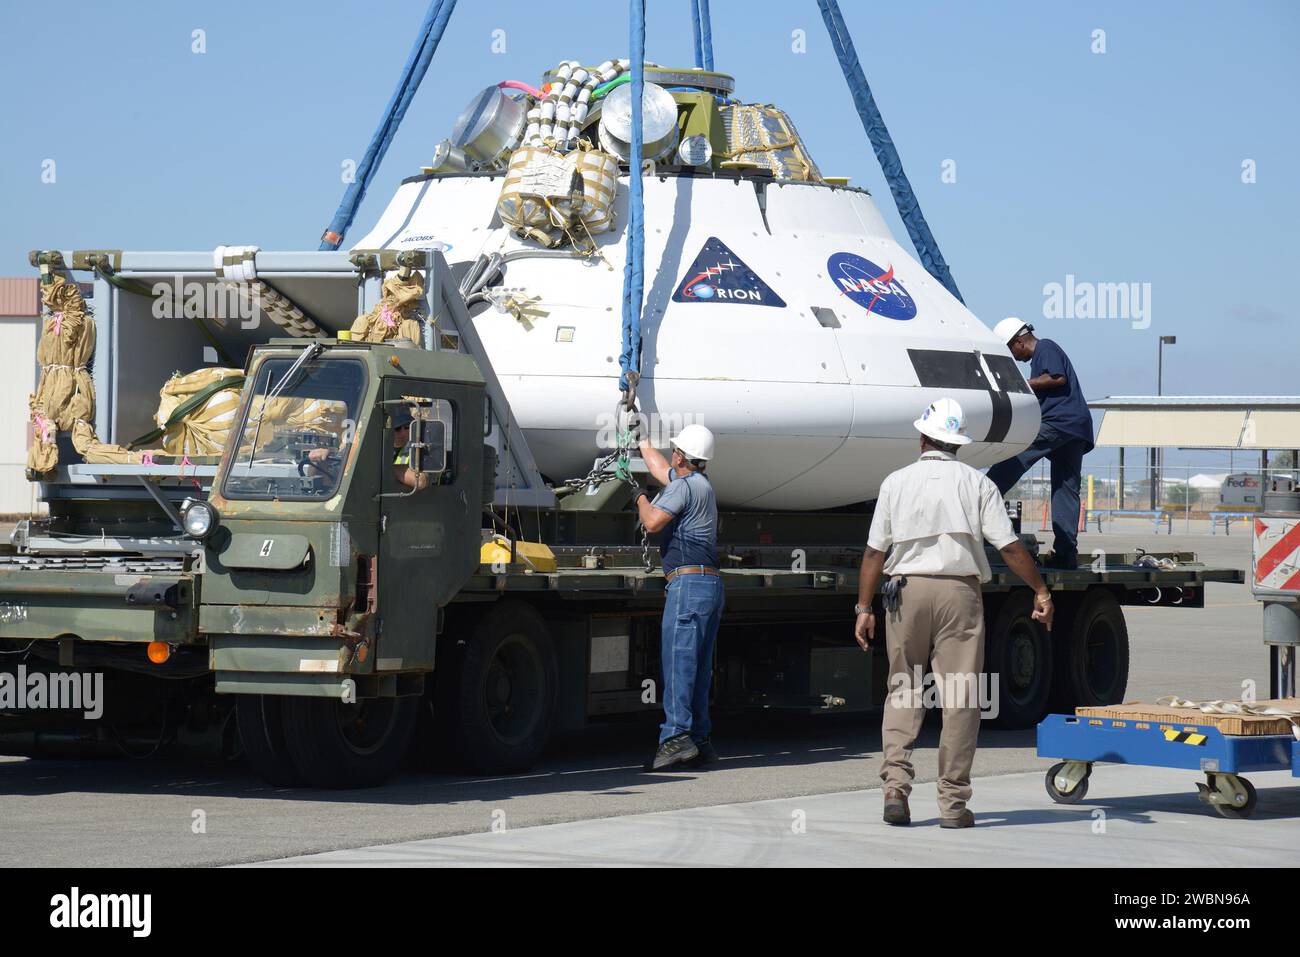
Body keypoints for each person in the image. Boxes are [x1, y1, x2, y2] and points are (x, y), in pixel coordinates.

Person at [855, 398, 1054, 828]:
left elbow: (874, 552)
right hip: (959, 594)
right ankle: (952, 805)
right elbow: (1010, 548)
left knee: (904, 688)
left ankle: (895, 789)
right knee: (961, 698)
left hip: (904, 592)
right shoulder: (977, 485)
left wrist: (863, 607)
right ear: (958, 444)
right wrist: (1040, 590)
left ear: (922, 436)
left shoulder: (896, 482)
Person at [631, 422, 724, 771]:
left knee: (678, 663)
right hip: (710, 585)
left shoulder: (684, 488)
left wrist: (639, 497)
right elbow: (660, 469)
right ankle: (699, 740)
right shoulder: (700, 485)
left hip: (688, 585)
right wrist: (642, 441)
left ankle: (674, 738)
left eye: (675, 451)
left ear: (682, 456)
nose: (672, 456)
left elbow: (653, 521)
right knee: (698, 668)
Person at [986, 319, 1094, 569]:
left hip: (1059, 423)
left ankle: (981, 496)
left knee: (1013, 457)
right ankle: (1066, 554)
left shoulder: (1046, 347)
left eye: (1011, 350)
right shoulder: (1040, 356)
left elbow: (1057, 378)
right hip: (1075, 428)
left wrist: (1018, 384)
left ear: (1019, 341)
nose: (1013, 357)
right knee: (1065, 490)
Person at [307, 406, 426, 491]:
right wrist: (322, 459)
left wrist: (377, 468)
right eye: (397, 428)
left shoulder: (420, 448)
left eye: (407, 427)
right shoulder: (369, 446)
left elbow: (420, 481)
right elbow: (329, 481)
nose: (403, 433)